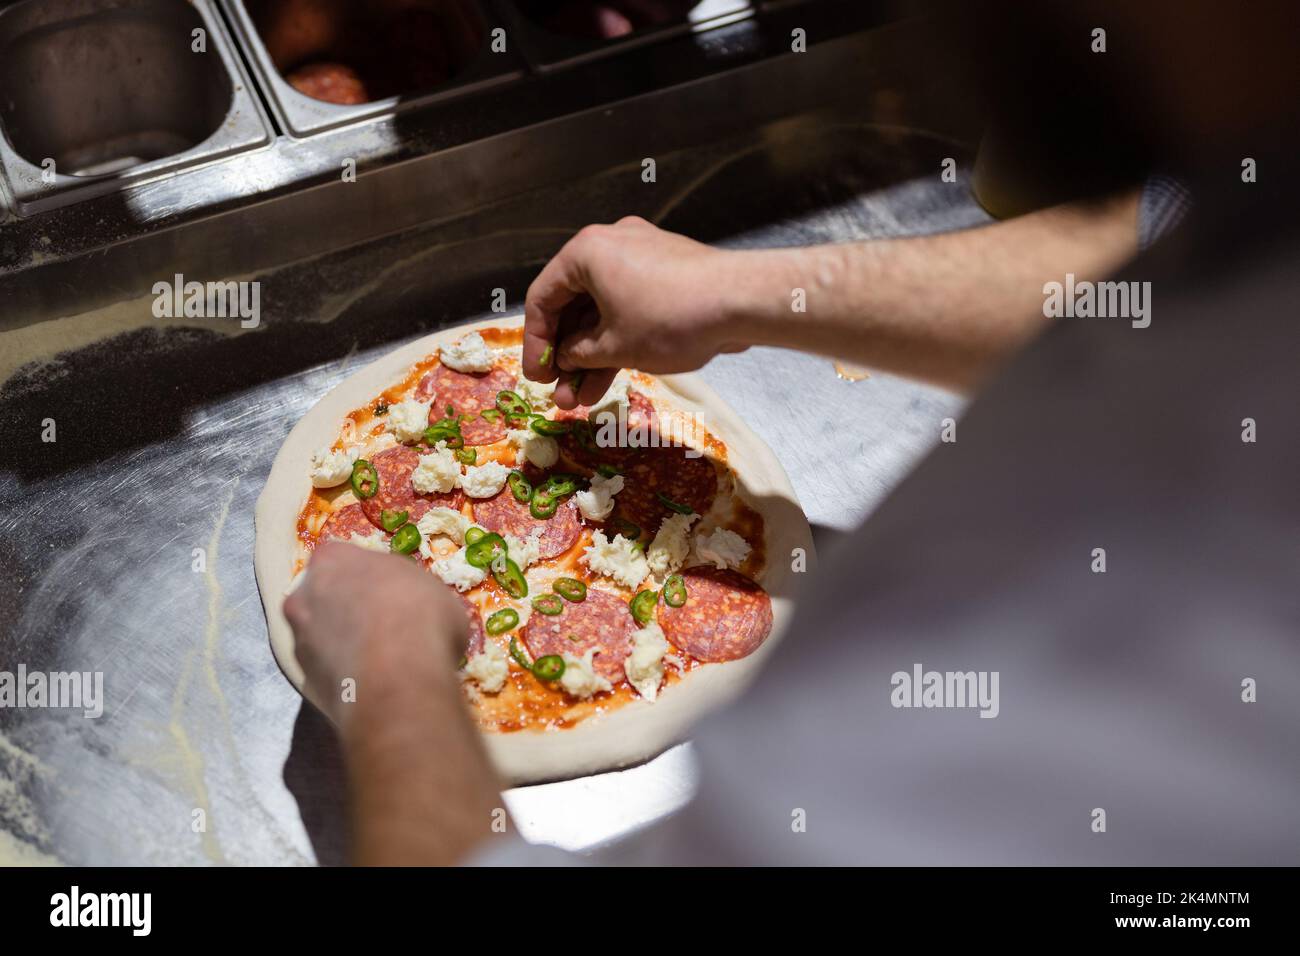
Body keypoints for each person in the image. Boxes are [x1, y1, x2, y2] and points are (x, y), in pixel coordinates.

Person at [284, 0, 1298, 865]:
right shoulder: (1257, 170)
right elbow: (1163, 265)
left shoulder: (1169, 696)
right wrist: (737, 291)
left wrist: (394, 664)